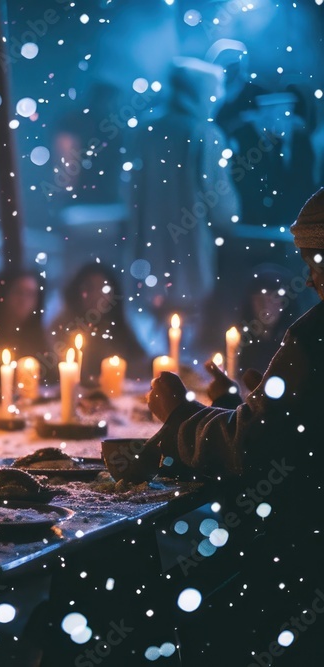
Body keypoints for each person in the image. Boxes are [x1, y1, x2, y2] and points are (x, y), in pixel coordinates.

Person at [146, 188, 324, 661]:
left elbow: (246, 447)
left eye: (315, 259)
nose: (309, 277)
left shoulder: (311, 337)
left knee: (189, 609)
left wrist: (179, 414)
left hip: (300, 553)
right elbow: (291, 425)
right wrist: (237, 401)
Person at [128, 57, 240, 343]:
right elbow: (220, 199)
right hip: (191, 245)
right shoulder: (204, 133)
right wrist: (231, 221)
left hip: (150, 243)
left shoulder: (146, 129)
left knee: (159, 326)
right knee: (190, 326)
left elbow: (129, 190)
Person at [49, 263, 146, 382]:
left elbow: (139, 360)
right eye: (89, 289)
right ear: (77, 293)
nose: (96, 295)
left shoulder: (117, 325)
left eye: (103, 289)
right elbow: (55, 373)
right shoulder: (62, 326)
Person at [0, 269, 51, 378]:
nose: (23, 300)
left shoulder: (39, 336)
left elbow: (50, 377)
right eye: (19, 292)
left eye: (30, 294)